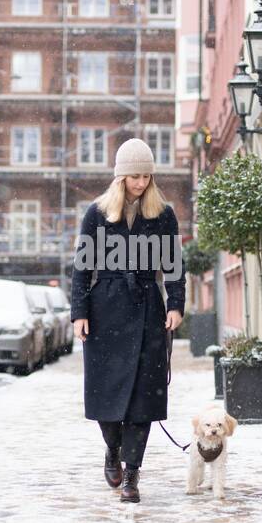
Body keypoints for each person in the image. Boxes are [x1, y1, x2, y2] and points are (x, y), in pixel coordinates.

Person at [69, 138, 185, 502]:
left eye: (146, 176)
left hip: (148, 309)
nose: (140, 183)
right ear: (120, 177)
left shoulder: (162, 214)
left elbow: (175, 267)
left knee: (143, 399)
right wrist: (80, 313)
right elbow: (81, 269)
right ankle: (112, 449)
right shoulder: (97, 214)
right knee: (105, 393)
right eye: (134, 176)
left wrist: (175, 305)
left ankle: (133, 474)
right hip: (105, 313)